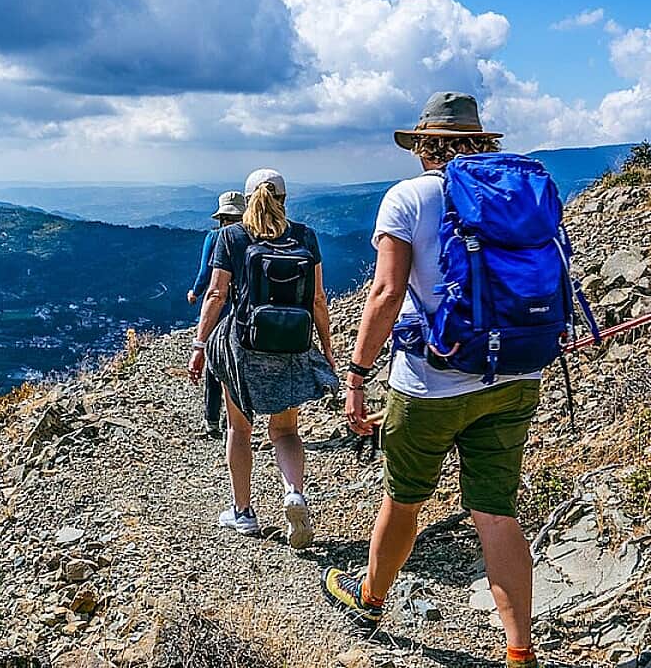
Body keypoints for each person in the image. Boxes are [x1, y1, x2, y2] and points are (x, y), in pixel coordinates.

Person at [321, 92, 542, 668]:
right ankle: (519, 651)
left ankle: (370, 601)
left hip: (431, 380)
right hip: (517, 372)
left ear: (424, 144)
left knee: (405, 497)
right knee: (496, 511)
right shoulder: (519, 194)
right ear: (480, 141)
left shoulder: (409, 197)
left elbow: (387, 293)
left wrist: (357, 374)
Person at [187, 169, 337, 550]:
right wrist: (327, 352)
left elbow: (217, 294)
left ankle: (243, 512)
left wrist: (200, 344)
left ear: (248, 196)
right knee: (286, 431)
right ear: (285, 198)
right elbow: (318, 300)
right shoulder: (304, 236)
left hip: (243, 347)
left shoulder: (231, 236)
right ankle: (293, 494)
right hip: (292, 346)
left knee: (240, 429)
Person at [188, 190, 246, 439]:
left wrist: (194, 291)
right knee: (239, 364)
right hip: (244, 310)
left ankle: (213, 421)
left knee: (214, 364)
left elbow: (206, 274)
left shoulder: (214, 237)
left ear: (221, 217)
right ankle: (237, 418)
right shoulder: (251, 237)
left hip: (220, 309)